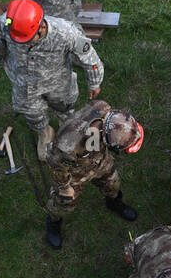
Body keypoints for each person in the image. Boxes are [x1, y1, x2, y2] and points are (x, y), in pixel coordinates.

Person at [0, 0, 105, 161]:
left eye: (28, 39)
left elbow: (90, 59)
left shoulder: (67, 33)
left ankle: (68, 131)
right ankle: (45, 133)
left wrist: (94, 82)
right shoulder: (5, 24)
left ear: (41, 27)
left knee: (65, 109)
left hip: (58, 83)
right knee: (31, 112)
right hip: (23, 82)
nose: (24, 44)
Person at [42, 99, 142, 248]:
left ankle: (114, 204)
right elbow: (57, 165)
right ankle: (53, 223)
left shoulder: (103, 107)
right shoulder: (67, 146)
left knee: (113, 185)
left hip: (100, 161)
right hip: (75, 174)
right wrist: (64, 187)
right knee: (63, 203)